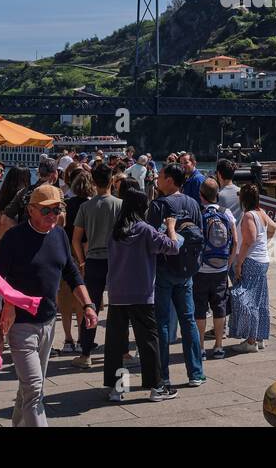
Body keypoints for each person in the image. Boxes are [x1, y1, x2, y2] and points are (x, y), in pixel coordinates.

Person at [0, 184, 96, 426]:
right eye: (45, 210)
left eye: (57, 209)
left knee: (29, 387)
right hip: (21, 326)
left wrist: (88, 305)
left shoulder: (59, 234)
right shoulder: (13, 239)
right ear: (30, 210)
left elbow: (72, 273)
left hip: (49, 324)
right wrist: (5, 307)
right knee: (35, 389)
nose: (52, 216)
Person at [104, 185, 180, 403]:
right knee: (148, 342)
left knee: (116, 344)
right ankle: (156, 388)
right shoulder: (145, 230)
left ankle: (118, 389)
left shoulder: (116, 231)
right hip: (142, 293)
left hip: (118, 293)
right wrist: (171, 227)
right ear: (141, 208)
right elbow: (172, 247)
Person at [147, 164, 206, 388]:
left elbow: (151, 240)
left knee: (162, 322)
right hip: (187, 270)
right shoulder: (192, 203)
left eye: (161, 176)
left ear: (170, 180)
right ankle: (196, 373)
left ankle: (163, 374)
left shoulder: (158, 205)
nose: (157, 179)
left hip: (163, 268)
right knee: (188, 320)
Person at [72, 161, 122, 368]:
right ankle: (122, 350)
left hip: (93, 260)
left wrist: (81, 261)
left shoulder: (86, 206)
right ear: (112, 180)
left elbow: (76, 238)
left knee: (90, 306)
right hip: (116, 260)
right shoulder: (120, 205)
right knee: (119, 307)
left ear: (93, 181)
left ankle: (86, 353)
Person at [227, 183, 275, 354]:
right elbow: (273, 228)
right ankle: (259, 338)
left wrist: (239, 263)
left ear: (243, 199)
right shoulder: (261, 213)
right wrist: (265, 242)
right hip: (263, 260)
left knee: (247, 300)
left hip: (251, 260)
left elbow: (249, 240)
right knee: (260, 299)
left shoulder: (248, 216)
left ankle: (251, 341)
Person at [194, 177, 236, 360]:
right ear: (216, 195)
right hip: (221, 270)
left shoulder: (198, 215)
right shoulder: (227, 214)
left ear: (200, 195)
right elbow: (234, 241)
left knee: (200, 309)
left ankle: (201, 347)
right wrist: (228, 263)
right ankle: (218, 346)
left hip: (202, 270)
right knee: (219, 308)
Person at [57, 167, 95, 354]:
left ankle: (67, 339)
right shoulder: (91, 206)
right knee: (83, 299)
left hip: (66, 254)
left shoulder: (66, 204)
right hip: (85, 255)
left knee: (64, 299)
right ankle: (81, 338)